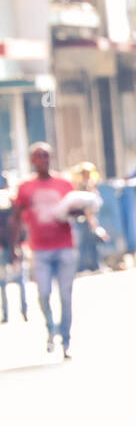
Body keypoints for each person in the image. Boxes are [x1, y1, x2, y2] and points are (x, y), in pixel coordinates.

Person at [8, 144, 77, 357]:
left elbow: (76, 209)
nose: (43, 160)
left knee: (65, 296)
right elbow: (16, 219)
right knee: (44, 293)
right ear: (32, 161)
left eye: (46, 156)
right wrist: (13, 247)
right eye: (39, 157)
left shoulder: (64, 184)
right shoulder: (25, 187)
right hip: (40, 250)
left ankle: (66, 340)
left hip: (65, 246)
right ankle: (50, 328)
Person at [0, 174, 28, 324]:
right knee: (9, 281)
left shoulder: (13, 201)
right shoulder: (12, 200)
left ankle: (22, 311)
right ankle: (16, 312)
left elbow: (18, 222)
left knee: (13, 280)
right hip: (9, 245)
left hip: (14, 244)